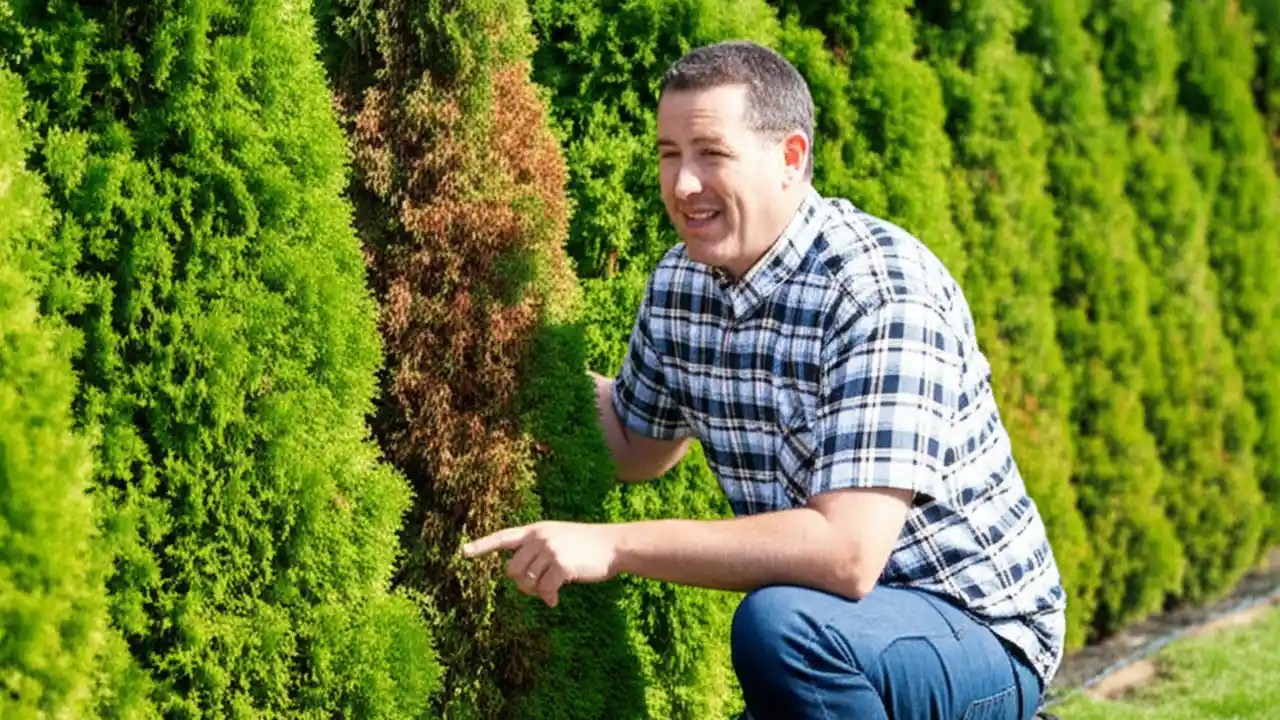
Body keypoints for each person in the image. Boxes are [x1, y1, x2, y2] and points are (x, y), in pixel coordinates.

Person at [464, 40, 1066, 720]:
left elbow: (846, 554)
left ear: (790, 158)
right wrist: (499, 366)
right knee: (790, 628)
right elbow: (636, 441)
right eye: (669, 155)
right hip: (836, 634)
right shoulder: (681, 283)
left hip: (977, 632)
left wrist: (612, 544)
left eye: (710, 154)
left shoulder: (880, 291)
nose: (683, 184)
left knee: (779, 626)